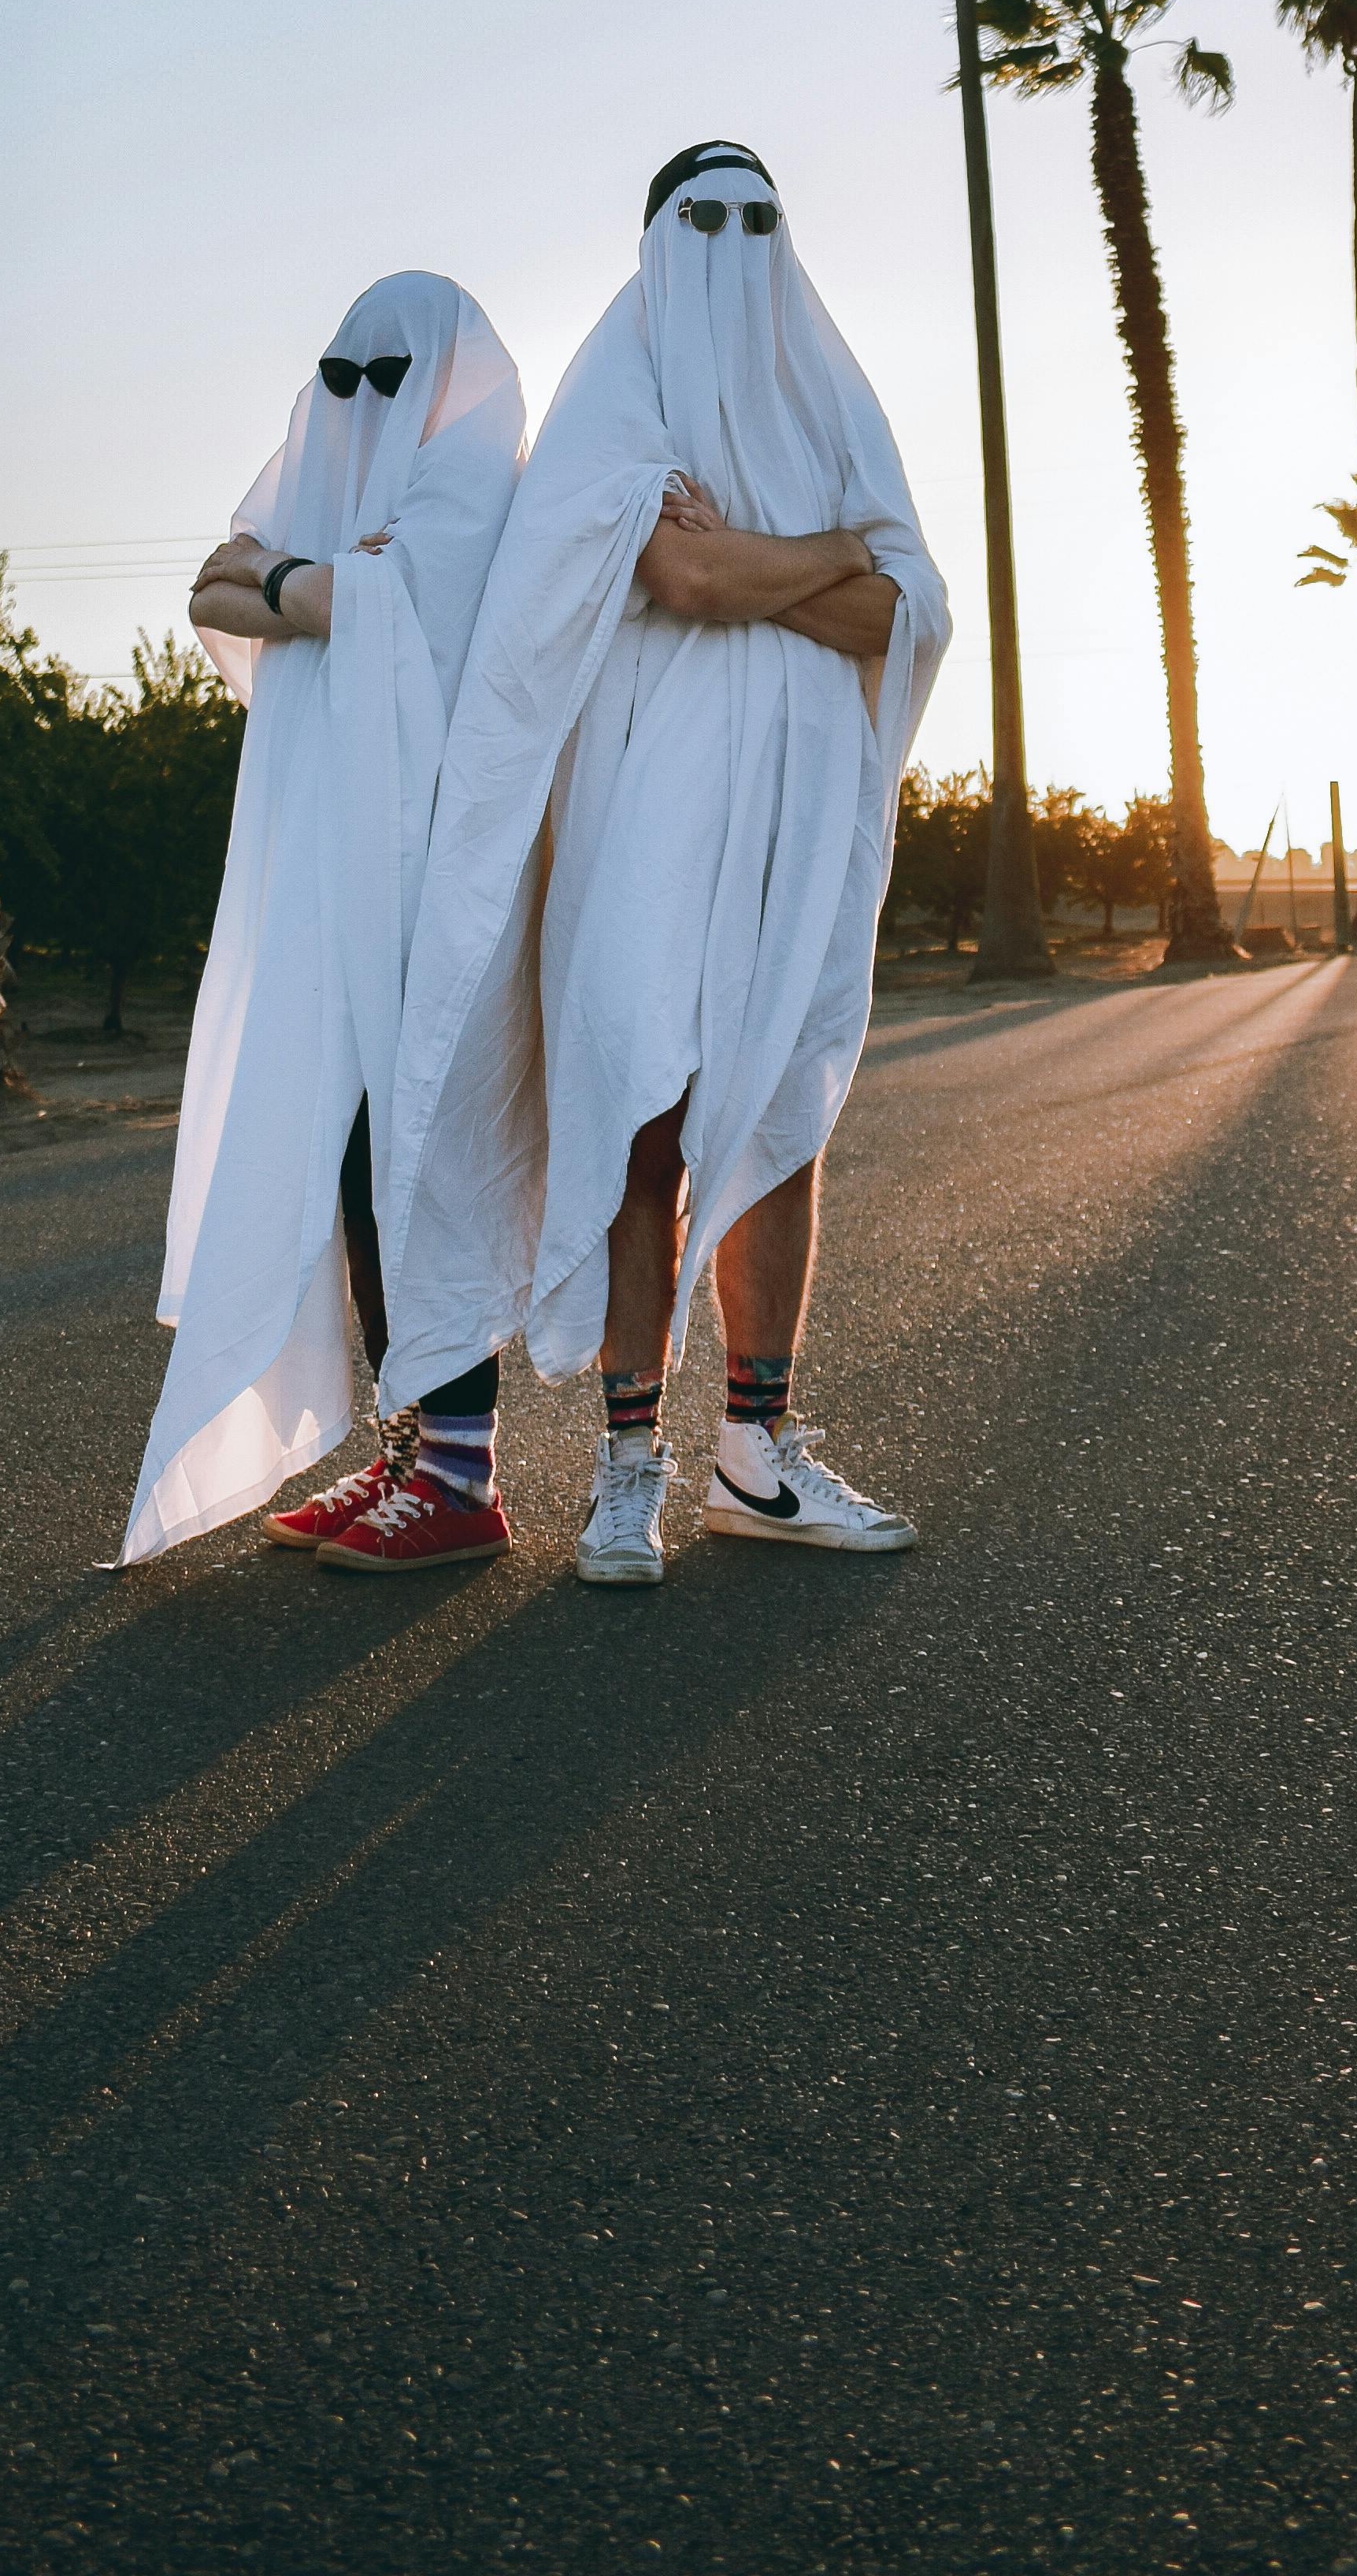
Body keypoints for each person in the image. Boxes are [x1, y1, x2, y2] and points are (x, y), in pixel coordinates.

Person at [371, 143, 950, 1587]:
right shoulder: (614, 386)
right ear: (654, 242)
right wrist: (824, 567)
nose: (735, 245)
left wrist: (766, 547)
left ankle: (757, 1458)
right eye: (707, 220)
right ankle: (627, 1470)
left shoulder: (833, 399)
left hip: (799, 818)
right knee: (643, 1114)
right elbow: (683, 582)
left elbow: (908, 611)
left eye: (763, 218)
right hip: (644, 816)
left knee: (779, 1117)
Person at [118, 272, 524, 1572]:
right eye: (339, 377)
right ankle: (411, 1455)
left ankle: (465, 1482)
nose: (358, 403)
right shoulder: (347, 496)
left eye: (388, 377)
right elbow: (210, 593)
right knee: (350, 1152)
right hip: (329, 865)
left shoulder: (479, 480)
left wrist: (296, 583)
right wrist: (325, 584)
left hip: (434, 873)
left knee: (425, 1154)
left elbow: (382, 606)